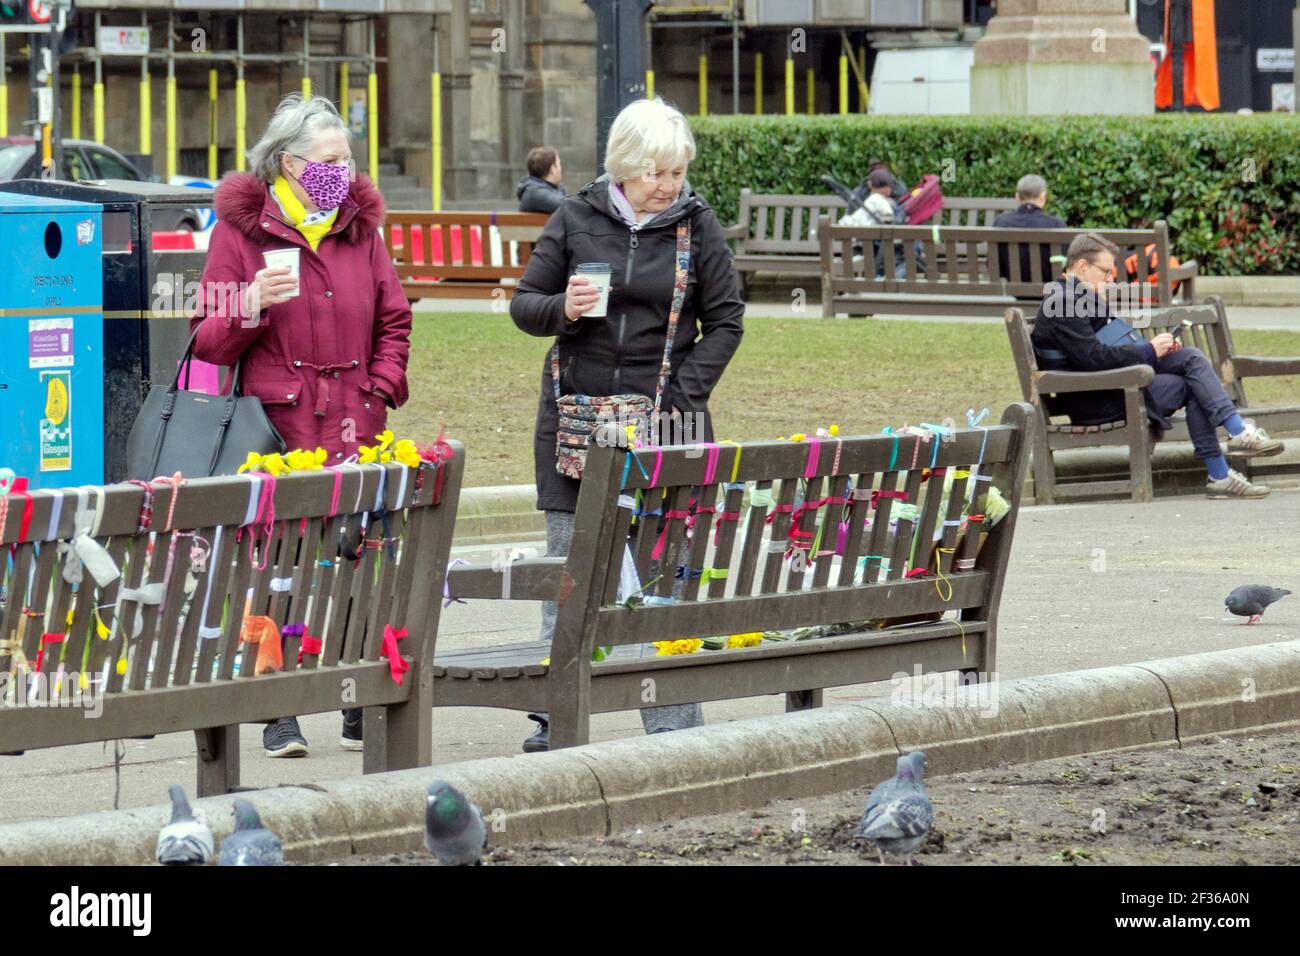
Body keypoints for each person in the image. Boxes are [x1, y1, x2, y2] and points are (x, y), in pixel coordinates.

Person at [509, 96, 744, 752]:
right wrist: (563, 308)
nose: (668, 186)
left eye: (676, 172)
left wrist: (681, 397)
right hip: (575, 420)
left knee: (666, 574)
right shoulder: (575, 218)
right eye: (655, 173)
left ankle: (672, 728)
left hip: (666, 423)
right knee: (568, 571)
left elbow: (726, 321)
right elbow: (525, 306)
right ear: (622, 168)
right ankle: (551, 719)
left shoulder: (698, 227)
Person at [191, 94, 413, 756]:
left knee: (360, 563)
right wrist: (251, 304)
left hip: (356, 420)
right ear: (289, 164)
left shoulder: (359, 230)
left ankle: (354, 696)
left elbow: (394, 319)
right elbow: (206, 341)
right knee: (275, 568)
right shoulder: (239, 234)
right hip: (278, 428)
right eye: (330, 160)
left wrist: (379, 388)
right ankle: (276, 706)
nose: (344, 172)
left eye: (347, 160)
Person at [1033, 233, 1282, 498]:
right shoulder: (1062, 302)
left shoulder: (1075, 297)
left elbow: (1104, 349)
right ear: (1082, 267)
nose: (1110, 280)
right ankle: (1224, 465)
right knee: (1191, 383)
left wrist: (1154, 351)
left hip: (1113, 385)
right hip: (1097, 398)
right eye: (1105, 272)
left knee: (1191, 358)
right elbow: (1093, 358)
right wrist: (1148, 351)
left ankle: (1236, 437)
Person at [516, 146, 568, 214]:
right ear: (553, 169)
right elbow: (571, 206)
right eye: (559, 164)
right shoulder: (534, 192)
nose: (560, 169)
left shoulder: (556, 189)